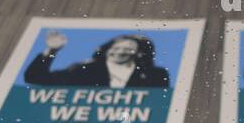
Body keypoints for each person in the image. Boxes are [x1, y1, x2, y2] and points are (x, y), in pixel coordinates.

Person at [24, 32, 169, 88]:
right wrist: (51, 51)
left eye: (129, 48)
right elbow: (35, 78)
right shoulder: (84, 70)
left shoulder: (156, 74)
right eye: (116, 47)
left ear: (139, 54)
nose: (120, 51)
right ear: (107, 50)